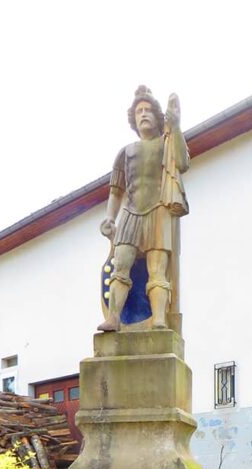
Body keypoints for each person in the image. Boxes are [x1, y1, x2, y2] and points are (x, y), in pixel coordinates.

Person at [97, 86, 189, 332]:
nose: (144, 114)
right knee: (120, 266)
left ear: (158, 117)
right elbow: (116, 190)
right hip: (130, 213)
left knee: (157, 269)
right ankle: (114, 318)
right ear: (133, 119)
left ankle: (159, 319)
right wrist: (110, 217)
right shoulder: (125, 152)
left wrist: (176, 126)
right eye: (139, 111)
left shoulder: (167, 144)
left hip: (158, 210)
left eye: (148, 110)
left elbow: (182, 163)